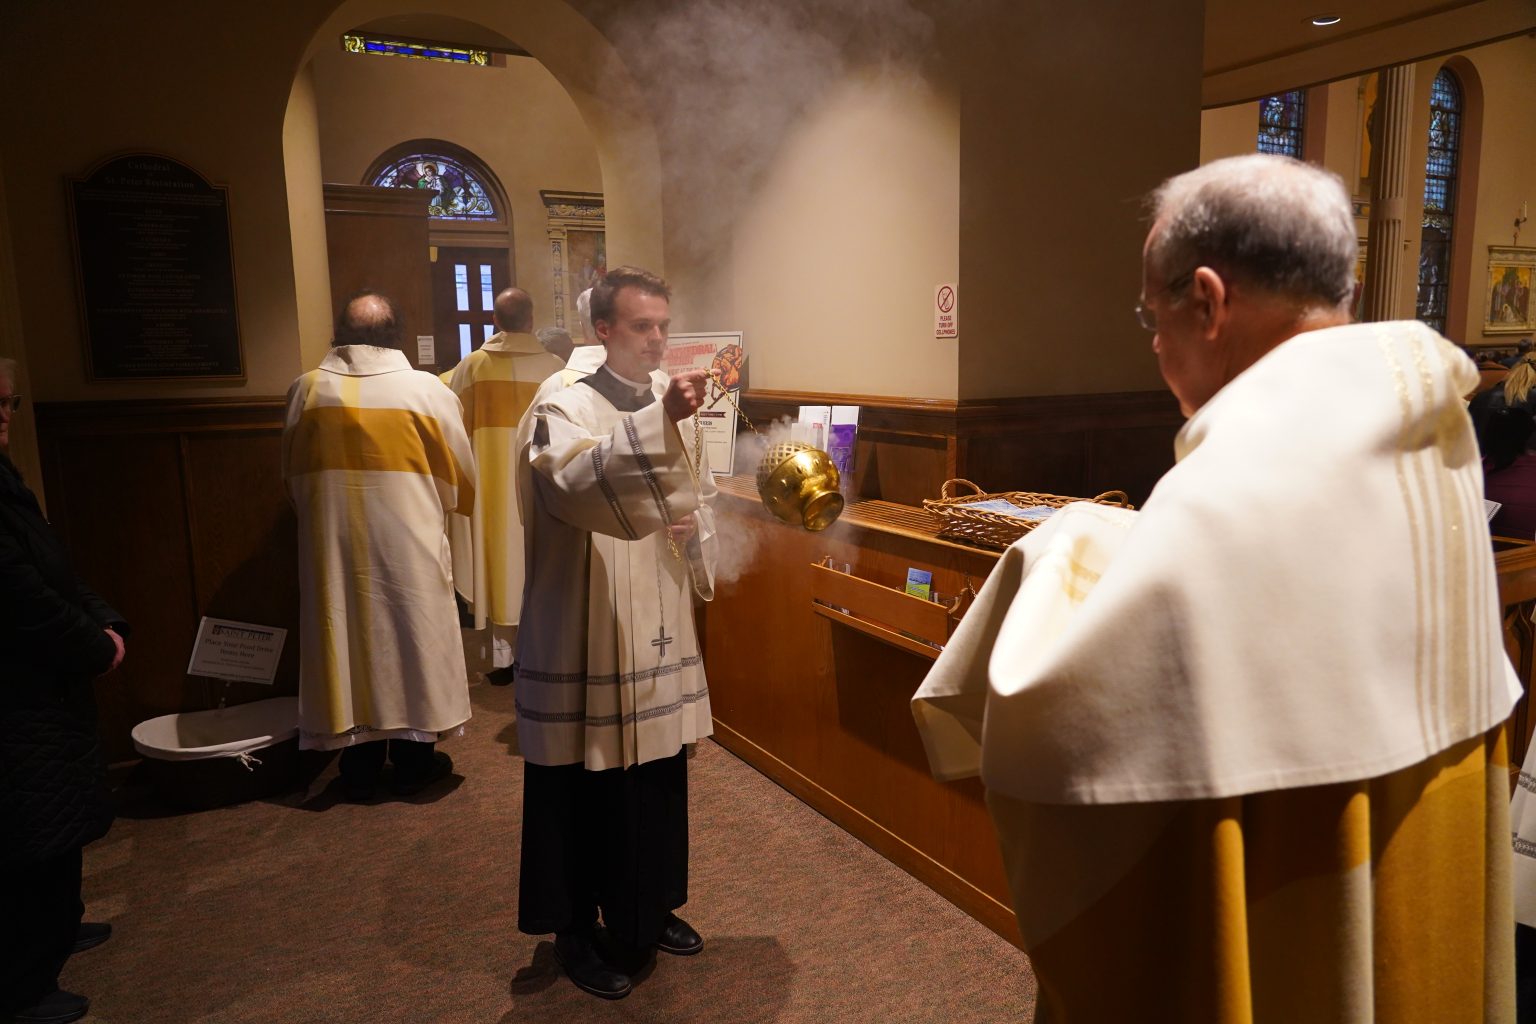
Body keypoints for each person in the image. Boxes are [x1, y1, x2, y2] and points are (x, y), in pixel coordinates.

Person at [913, 154, 1520, 1022]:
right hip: (1423, 853)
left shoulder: (1245, 468)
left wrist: (1064, 550)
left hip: (1294, 878)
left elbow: (1061, 714)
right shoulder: (1429, 425)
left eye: (1149, 314)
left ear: (1205, 300)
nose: (1153, 340)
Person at [512, 267, 716, 1000]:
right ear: (603, 330)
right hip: (586, 621)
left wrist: (695, 523)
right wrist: (658, 433)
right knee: (581, 779)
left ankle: (647, 907)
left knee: (658, 770)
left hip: (655, 619)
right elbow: (572, 485)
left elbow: (696, 494)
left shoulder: (657, 402)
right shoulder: (560, 405)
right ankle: (573, 928)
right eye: (641, 326)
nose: (658, 339)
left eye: (663, 324)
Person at [282, 291, 476, 801]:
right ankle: (416, 760)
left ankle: (358, 763)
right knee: (413, 637)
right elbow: (458, 479)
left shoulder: (307, 390)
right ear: (397, 337)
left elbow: (293, 478)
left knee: (344, 636)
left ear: (339, 334)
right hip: (407, 539)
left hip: (333, 543)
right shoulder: (427, 391)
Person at [0, 358, 126, 1024]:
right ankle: (22, 982)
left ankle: (57, 928)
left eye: (8, 402)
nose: (2, 415)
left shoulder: (5, 474)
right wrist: (90, 640)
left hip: (50, 675)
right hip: (19, 685)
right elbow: (20, 594)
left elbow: (51, 562)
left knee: (54, 813)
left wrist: (100, 617)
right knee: (28, 825)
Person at [442, 288, 563, 683]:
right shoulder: (555, 368)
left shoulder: (474, 366)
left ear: (495, 321)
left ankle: (503, 661)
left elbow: (451, 427)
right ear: (531, 320)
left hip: (492, 489)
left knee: (499, 562)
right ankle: (546, 652)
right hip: (542, 486)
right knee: (543, 562)